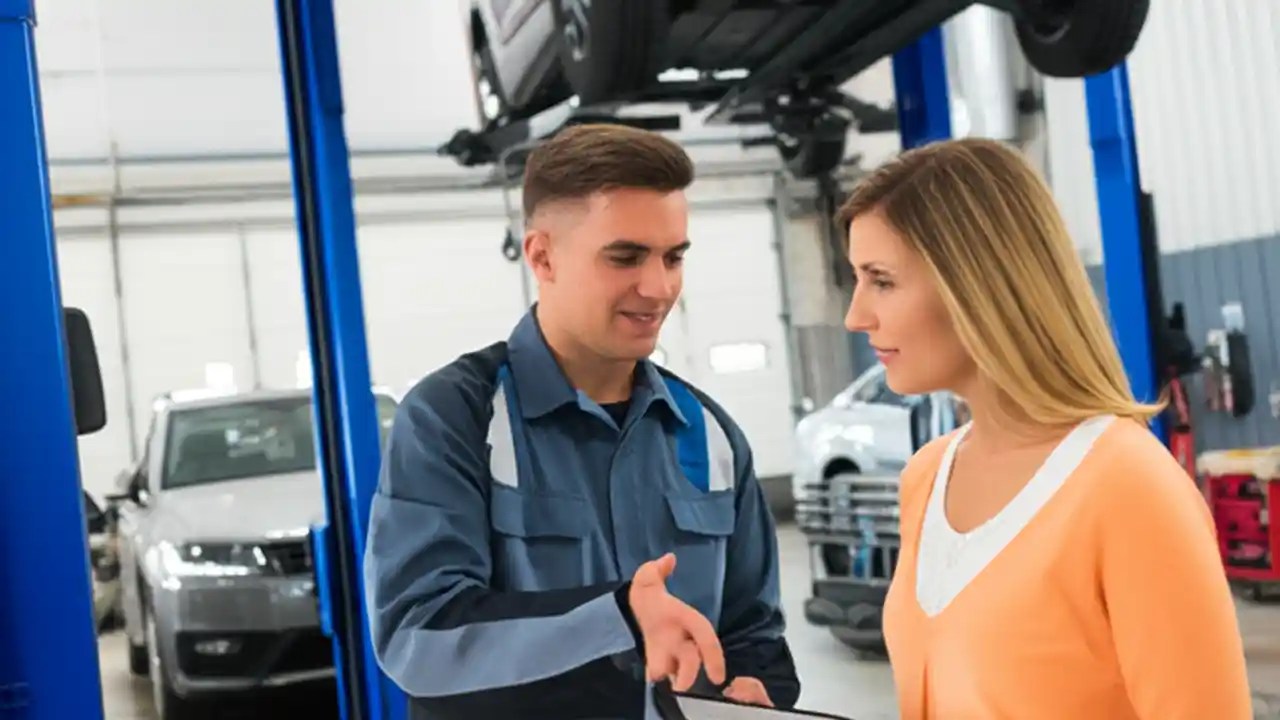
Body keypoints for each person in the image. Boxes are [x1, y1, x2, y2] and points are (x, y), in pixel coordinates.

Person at [364, 123, 799, 720]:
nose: (660, 287)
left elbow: (756, 631)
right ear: (542, 256)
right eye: (626, 257)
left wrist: (755, 689)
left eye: (673, 257)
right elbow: (419, 636)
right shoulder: (455, 418)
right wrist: (619, 616)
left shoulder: (710, 433)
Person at [838, 137, 1253, 719]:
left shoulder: (1126, 487)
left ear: (976, 285)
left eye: (880, 280)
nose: (856, 315)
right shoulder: (927, 477)